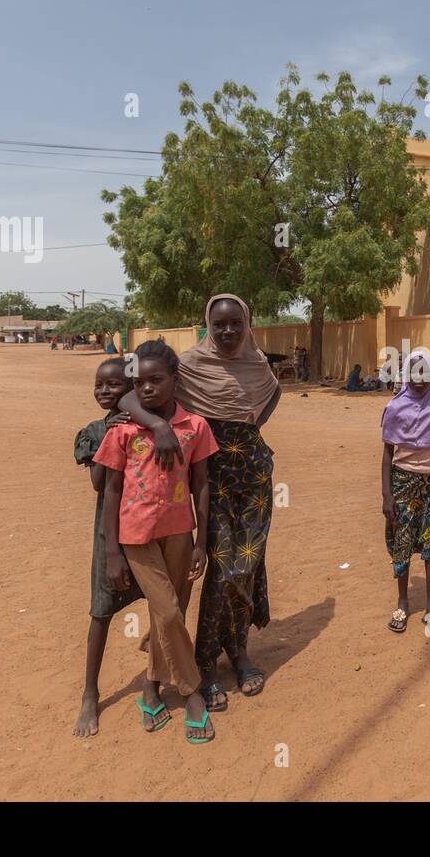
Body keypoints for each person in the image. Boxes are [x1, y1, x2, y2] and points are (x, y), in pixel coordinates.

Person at [119, 294, 281, 709]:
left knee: (247, 565)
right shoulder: (187, 365)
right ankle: (206, 662)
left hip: (253, 474)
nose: (227, 331)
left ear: (247, 324)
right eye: (219, 324)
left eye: (235, 324)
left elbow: (269, 397)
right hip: (209, 475)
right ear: (208, 325)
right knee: (222, 566)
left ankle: (240, 651)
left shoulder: (258, 364)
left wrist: (248, 432)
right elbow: (126, 394)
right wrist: (157, 424)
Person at [95, 339, 217, 744]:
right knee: (166, 615)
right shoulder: (124, 429)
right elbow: (111, 489)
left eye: (156, 380)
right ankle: (192, 690)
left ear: (175, 381)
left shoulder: (195, 427)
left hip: (180, 531)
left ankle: (150, 687)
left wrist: (201, 540)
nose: (146, 388)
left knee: (174, 612)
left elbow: (201, 485)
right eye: (140, 382)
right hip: (136, 535)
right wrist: (112, 551)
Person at [72, 358, 145, 737]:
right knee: (101, 611)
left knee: (166, 598)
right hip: (111, 534)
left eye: (114, 385)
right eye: (99, 385)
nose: (104, 391)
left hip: (148, 529)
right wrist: (107, 438)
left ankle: (158, 677)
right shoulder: (94, 431)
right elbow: (100, 485)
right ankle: (90, 692)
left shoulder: (149, 423)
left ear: (132, 387)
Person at [380, 350, 430, 640]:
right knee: (401, 543)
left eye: (424, 374)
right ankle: (402, 604)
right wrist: (387, 496)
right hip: (402, 483)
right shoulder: (395, 409)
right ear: (406, 376)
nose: (419, 380)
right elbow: (387, 454)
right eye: (414, 374)